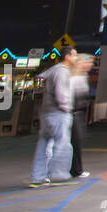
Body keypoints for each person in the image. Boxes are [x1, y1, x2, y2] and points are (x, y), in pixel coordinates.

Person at [29, 49, 77, 187]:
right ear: (67, 57)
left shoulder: (53, 70)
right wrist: (67, 108)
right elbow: (61, 95)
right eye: (74, 55)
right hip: (58, 114)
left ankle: (38, 177)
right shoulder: (62, 71)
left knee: (43, 145)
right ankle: (58, 175)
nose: (76, 58)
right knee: (62, 144)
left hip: (46, 113)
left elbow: (40, 78)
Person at [68, 54, 93, 178]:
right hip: (73, 113)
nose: (90, 65)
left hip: (79, 113)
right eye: (87, 63)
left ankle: (76, 169)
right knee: (75, 142)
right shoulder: (74, 78)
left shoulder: (83, 76)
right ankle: (76, 170)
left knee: (77, 141)